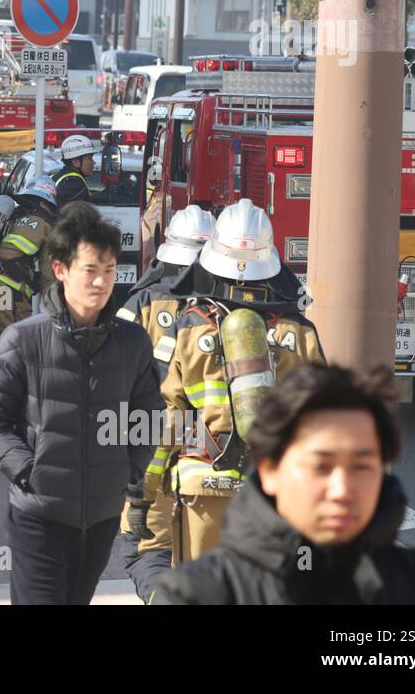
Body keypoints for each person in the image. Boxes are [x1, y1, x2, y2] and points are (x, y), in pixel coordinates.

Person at [0, 202, 162, 605]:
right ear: (60, 270)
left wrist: (127, 470)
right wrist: (28, 470)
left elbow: (149, 416)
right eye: (90, 270)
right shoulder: (24, 340)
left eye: (109, 271)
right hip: (39, 514)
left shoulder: (132, 343)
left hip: (101, 516)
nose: (101, 282)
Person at [151, 364, 415, 604]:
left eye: (362, 466)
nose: (341, 490)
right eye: (320, 466)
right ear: (271, 470)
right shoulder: (197, 594)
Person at [144, 198, 326, 566]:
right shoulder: (300, 332)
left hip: (203, 490)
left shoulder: (189, 328)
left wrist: (143, 493)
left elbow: (164, 419)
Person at [113, 204, 213, 602]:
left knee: (146, 548)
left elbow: (113, 370)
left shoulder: (143, 302)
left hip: (151, 442)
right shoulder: (228, 306)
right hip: (214, 450)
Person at [0, 171, 58, 358]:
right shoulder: (47, 225)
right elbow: (49, 275)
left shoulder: (8, 214)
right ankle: (17, 385)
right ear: (47, 202)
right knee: (20, 339)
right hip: (3, 289)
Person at [54, 135, 97, 209]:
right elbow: (76, 217)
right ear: (76, 162)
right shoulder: (73, 183)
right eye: (89, 158)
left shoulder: (61, 176)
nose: (94, 162)